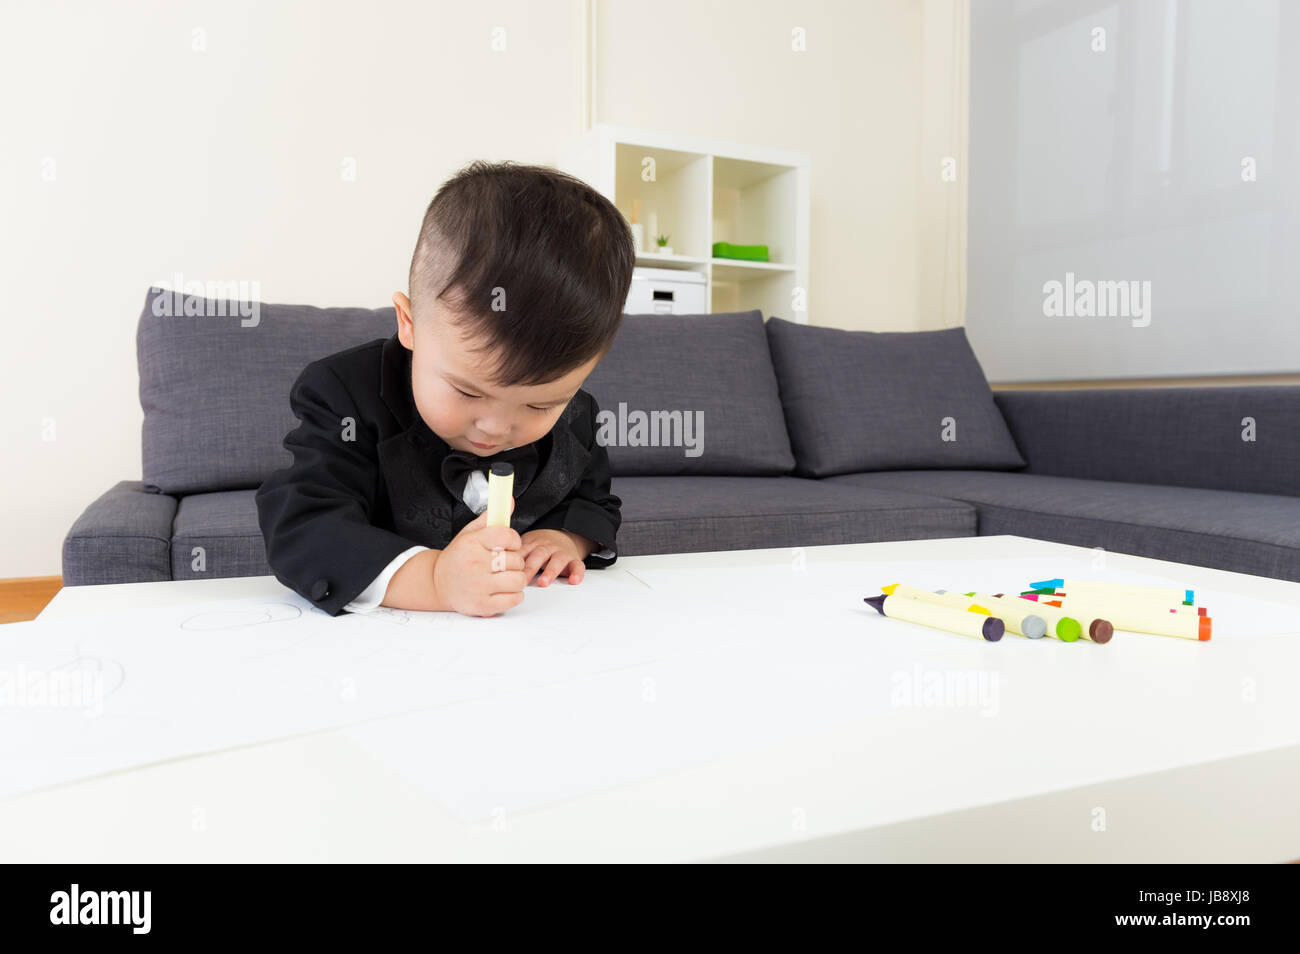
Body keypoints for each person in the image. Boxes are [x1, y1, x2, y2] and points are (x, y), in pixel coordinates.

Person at [255, 160, 633, 618]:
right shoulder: (342, 394)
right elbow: (304, 526)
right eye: (467, 392)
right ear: (409, 324)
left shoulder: (576, 413)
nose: (496, 428)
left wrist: (566, 537)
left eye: (539, 403)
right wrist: (435, 581)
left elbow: (594, 500)